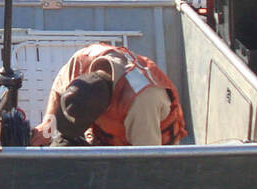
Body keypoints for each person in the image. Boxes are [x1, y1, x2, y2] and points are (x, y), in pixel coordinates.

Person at [30, 42, 186, 147]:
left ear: (103, 113)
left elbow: (146, 165)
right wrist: (48, 125)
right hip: (102, 137)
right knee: (62, 149)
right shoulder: (81, 61)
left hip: (143, 147)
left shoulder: (142, 102)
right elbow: (58, 88)